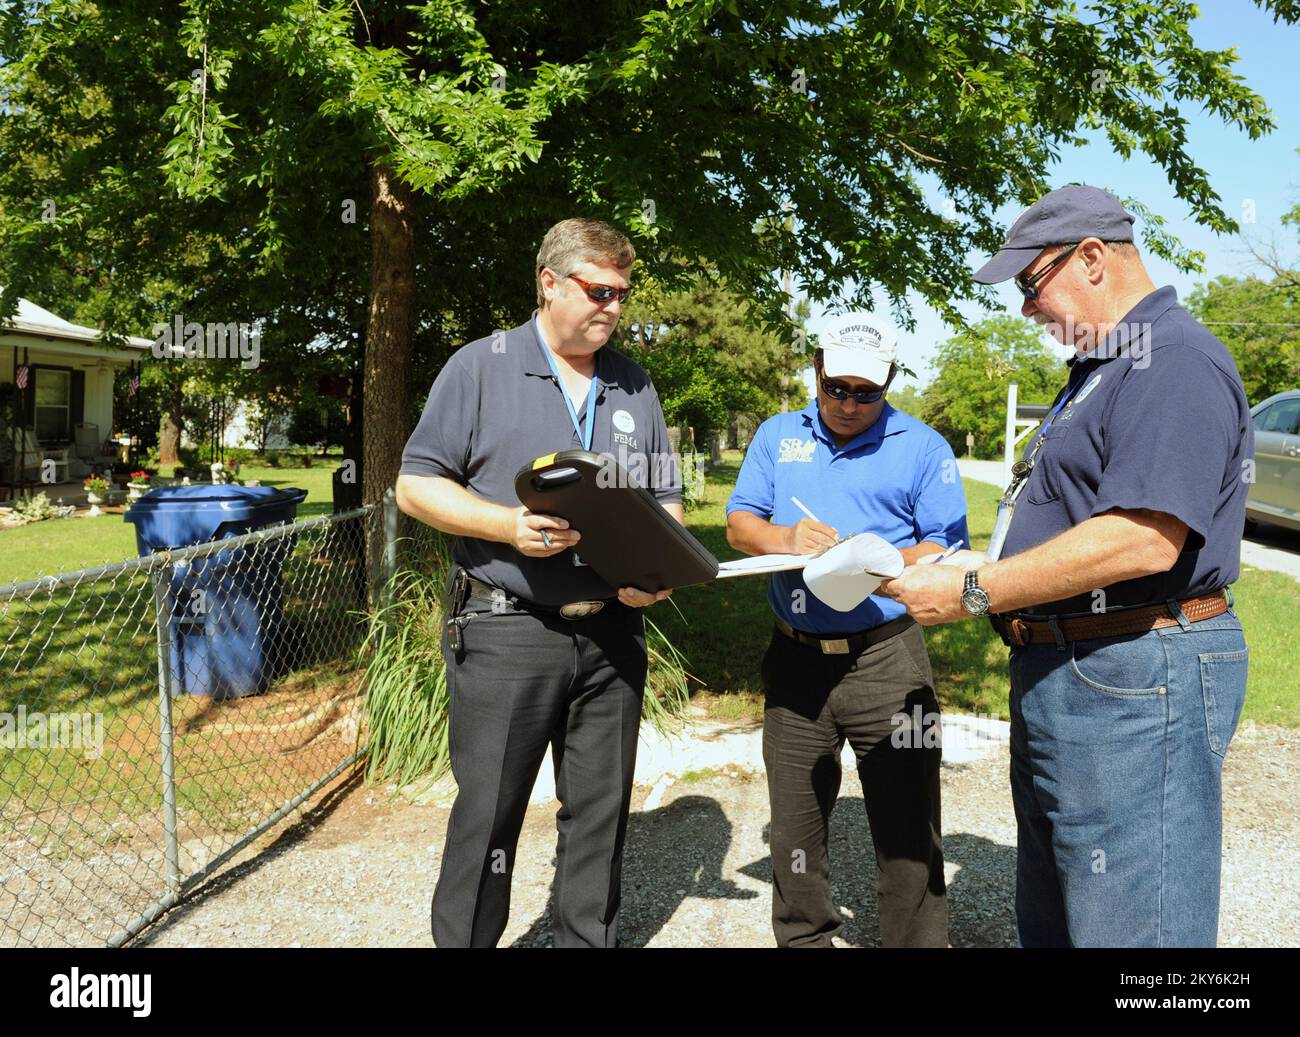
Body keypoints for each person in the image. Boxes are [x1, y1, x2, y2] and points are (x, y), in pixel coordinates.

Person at [882, 185, 1254, 948]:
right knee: (1062, 916)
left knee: (1134, 931)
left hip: (1134, 670)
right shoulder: (1104, 365)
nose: (1024, 308)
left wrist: (975, 588)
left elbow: (1145, 538)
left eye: (1029, 282)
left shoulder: (1172, 359)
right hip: (1081, 669)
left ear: (1091, 258)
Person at [395, 217, 684, 948]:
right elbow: (416, 486)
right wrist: (505, 526)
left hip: (613, 634)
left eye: (622, 293)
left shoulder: (633, 382)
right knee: (488, 814)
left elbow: (667, 502)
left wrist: (660, 569)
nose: (614, 308)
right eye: (599, 290)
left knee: (600, 813)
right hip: (507, 628)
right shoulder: (479, 367)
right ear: (548, 283)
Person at [725, 315, 969, 948]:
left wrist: (875, 562)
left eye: (868, 392)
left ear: (888, 383)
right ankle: (804, 938)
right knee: (794, 823)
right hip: (796, 658)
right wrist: (787, 538)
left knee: (908, 824)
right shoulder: (778, 436)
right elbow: (739, 525)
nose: (850, 404)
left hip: (886, 658)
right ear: (816, 372)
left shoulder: (922, 447)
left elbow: (947, 547)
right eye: (837, 388)